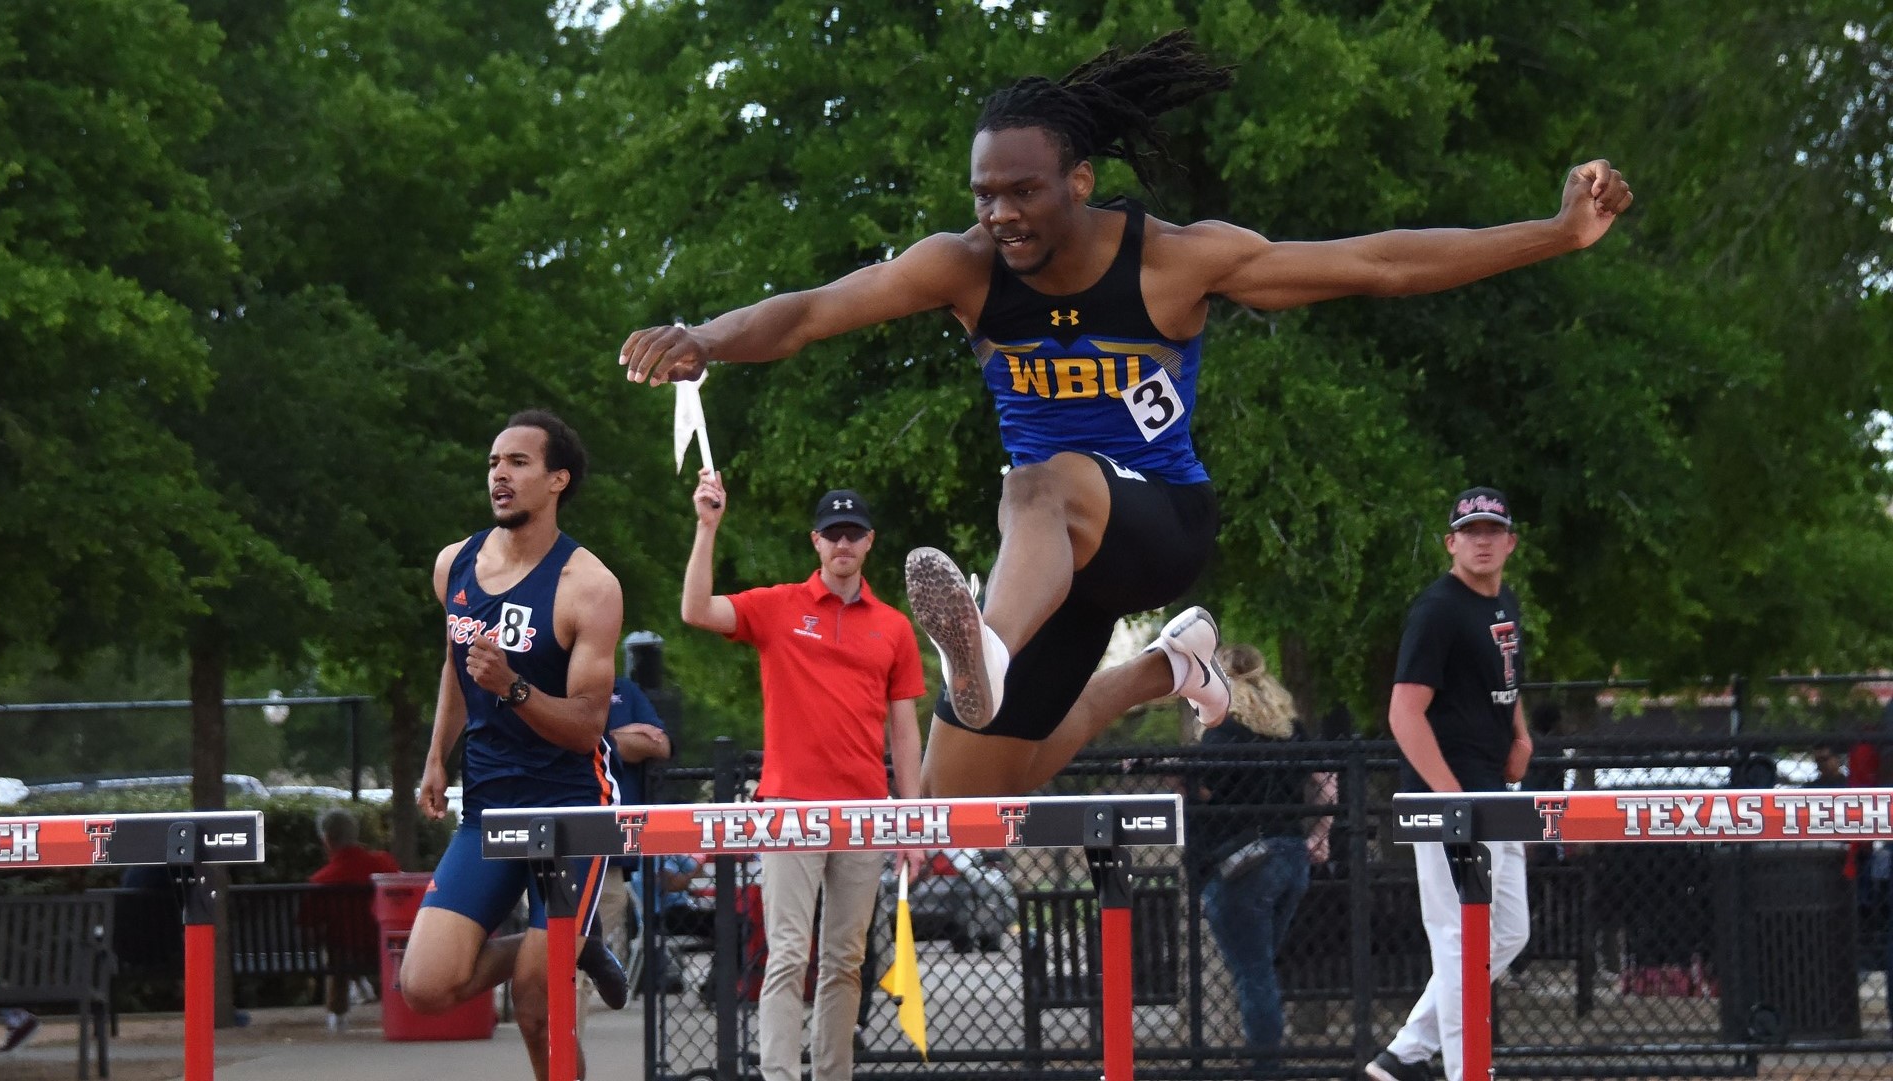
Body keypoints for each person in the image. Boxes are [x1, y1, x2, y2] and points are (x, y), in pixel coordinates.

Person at [620, 30, 1633, 800]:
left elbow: (1377, 262)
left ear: (1081, 180)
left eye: (1023, 192)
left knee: (1041, 476)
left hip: (1158, 521)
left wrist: (1554, 234)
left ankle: (989, 647)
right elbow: (809, 313)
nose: (1001, 216)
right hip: (1057, 565)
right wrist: (705, 334)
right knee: (961, 796)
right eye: (984, 196)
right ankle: (1156, 668)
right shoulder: (964, 267)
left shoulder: (1172, 259)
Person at [400, 410, 625, 1081]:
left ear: (558, 479)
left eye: (519, 462)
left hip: (571, 808)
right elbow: (455, 664)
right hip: (491, 807)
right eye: (494, 462)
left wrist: (514, 687)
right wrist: (438, 754)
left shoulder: (589, 585)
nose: (500, 474)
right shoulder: (455, 564)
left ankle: (556, 948)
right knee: (425, 986)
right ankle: (568, 946)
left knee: (534, 1002)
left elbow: (588, 724)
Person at [680, 471, 927, 1081]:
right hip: (789, 805)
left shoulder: (893, 627)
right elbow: (694, 610)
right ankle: (780, 1076)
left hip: (866, 808)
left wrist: (911, 817)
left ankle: (833, 1075)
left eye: (854, 535)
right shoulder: (777, 606)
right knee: (788, 954)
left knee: (846, 960)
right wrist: (706, 527)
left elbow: (905, 729)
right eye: (833, 535)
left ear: (870, 543)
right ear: (815, 542)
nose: (844, 545)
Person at [1368, 488, 1533, 1081]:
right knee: (1460, 941)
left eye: (1493, 530)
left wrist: (1522, 734)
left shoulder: (1503, 601)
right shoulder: (1437, 609)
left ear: (1510, 541)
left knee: (1509, 931)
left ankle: (1404, 1054)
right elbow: (1404, 714)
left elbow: (1506, 679)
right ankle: (1465, 1071)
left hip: (1491, 790)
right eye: (1472, 531)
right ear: (1451, 543)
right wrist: (1449, 797)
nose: (1483, 541)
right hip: (1447, 798)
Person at [1187, 644, 1330, 1062]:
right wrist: (1321, 833)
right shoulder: (1290, 729)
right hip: (1289, 855)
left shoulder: (1222, 733)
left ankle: (1267, 1064)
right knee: (1260, 965)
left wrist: (1181, 782)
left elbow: (1207, 790)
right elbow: (1325, 781)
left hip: (1241, 863)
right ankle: (1265, 1054)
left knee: (1254, 972)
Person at [576, 675, 672, 1005]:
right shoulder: (542, 676)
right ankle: (556, 1057)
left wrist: (597, 738)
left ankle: (566, 1056)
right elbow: (562, 739)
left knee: (581, 969)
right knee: (563, 963)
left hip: (613, 853)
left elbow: (659, 744)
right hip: (558, 850)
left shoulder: (623, 689)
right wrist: (621, 739)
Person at [307, 807, 400, 1031]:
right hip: (384, 946)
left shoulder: (321, 879)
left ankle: (337, 1013)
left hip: (344, 951)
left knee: (334, 945)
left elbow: (311, 923)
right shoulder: (384, 863)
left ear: (327, 840)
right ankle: (366, 987)